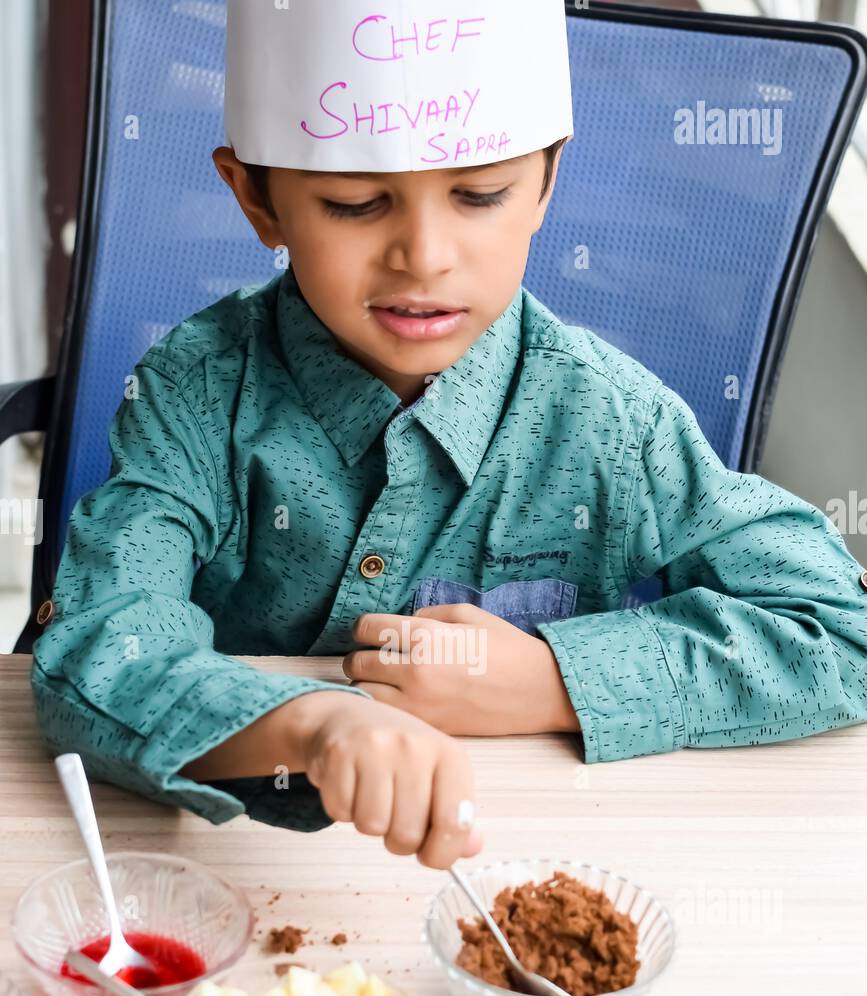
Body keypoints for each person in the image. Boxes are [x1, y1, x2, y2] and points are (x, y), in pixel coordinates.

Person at [31, 0, 867, 870]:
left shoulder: (613, 418)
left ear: (545, 183)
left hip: (524, 860)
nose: (424, 256)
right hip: (231, 868)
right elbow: (96, 642)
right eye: (355, 204)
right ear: (257, 198)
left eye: (479, 195)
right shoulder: (194, 389)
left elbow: (842, 633)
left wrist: (553, 682)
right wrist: (302, 724)